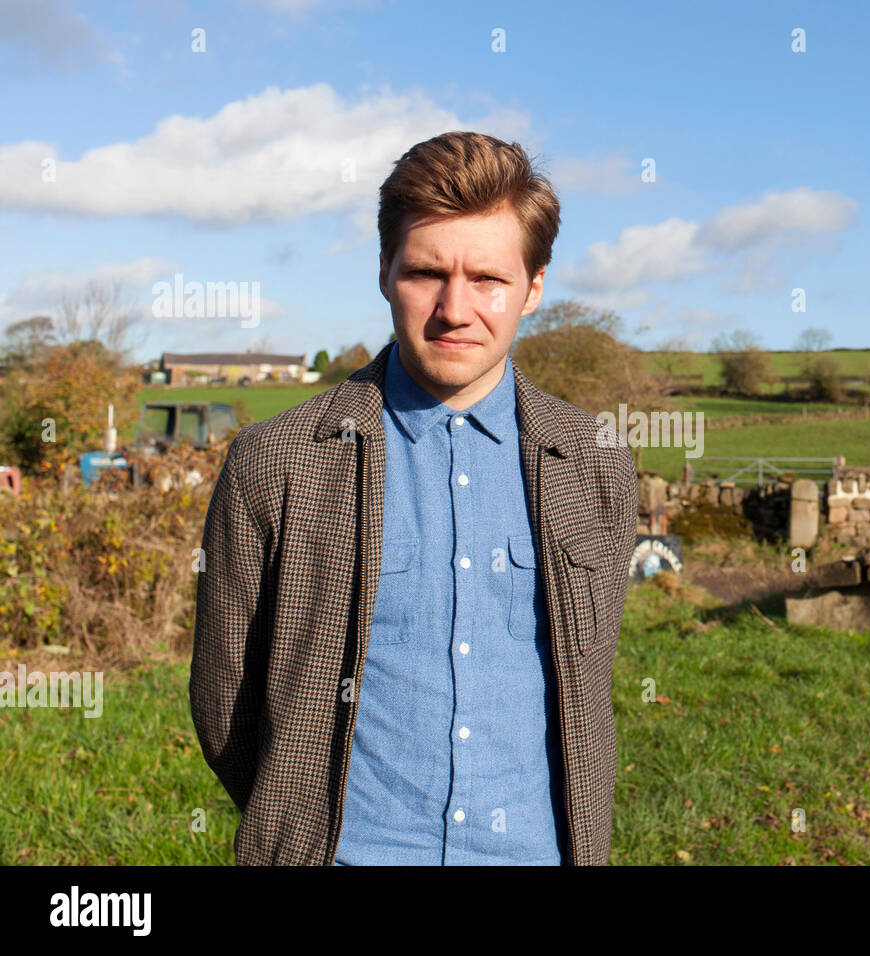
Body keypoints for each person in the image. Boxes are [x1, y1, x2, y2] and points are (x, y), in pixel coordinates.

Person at [190, 130, 639, 865]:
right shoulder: (273, 464)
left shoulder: (597, 462)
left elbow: (587, 682)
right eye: (427, 273)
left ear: (534, 287)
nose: (455, 309)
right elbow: (224, 705)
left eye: (489, 279)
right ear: (383, 272)